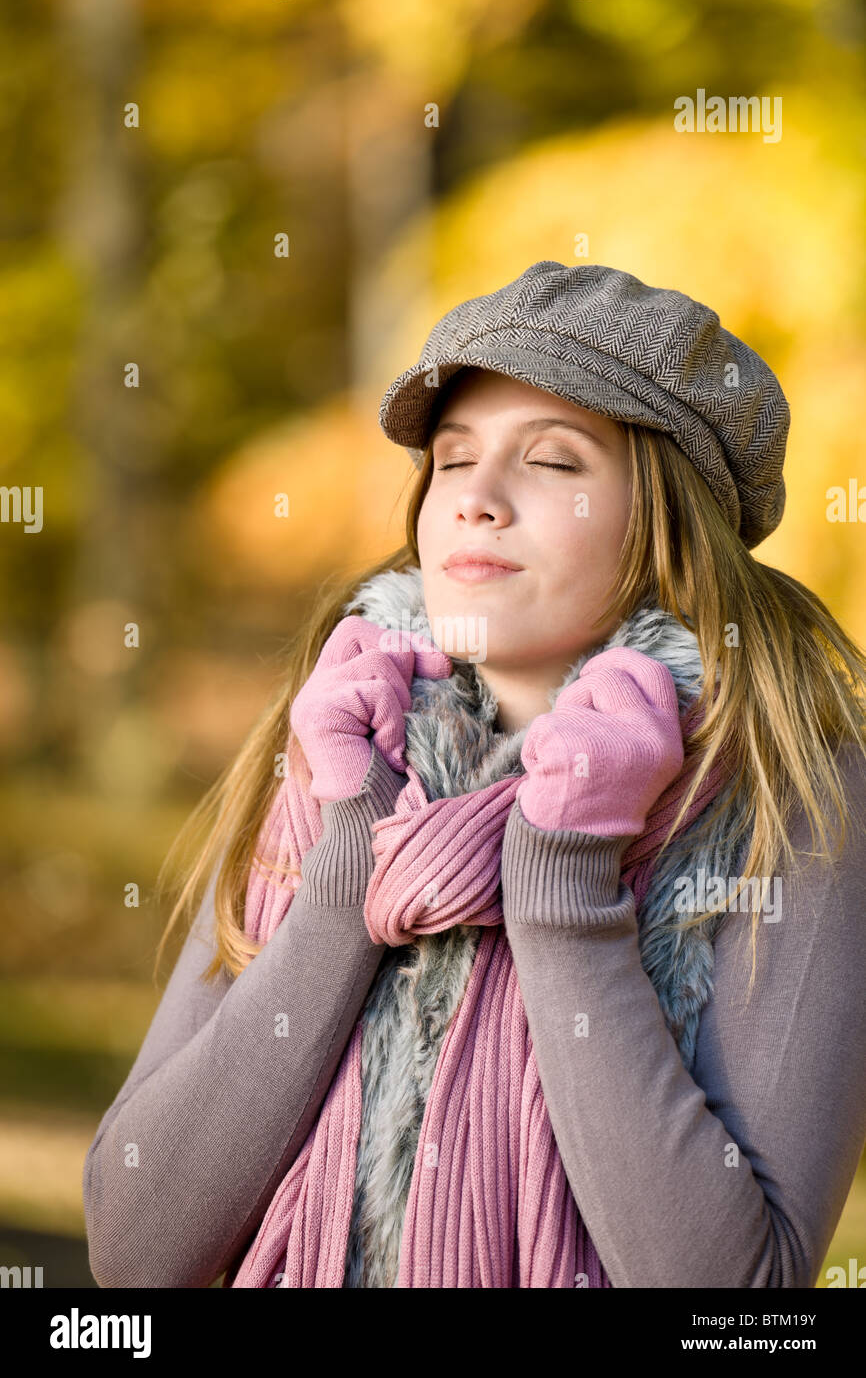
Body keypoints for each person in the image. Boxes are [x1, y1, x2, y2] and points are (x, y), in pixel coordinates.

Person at [83, 261, 866, 1288]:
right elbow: (135, 1256)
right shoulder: (329, 756)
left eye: (550, 462)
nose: (477, 501)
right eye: (451, 461)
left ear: (671, 522)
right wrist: (344, 879)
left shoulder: (789, 796)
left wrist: (562, 888)